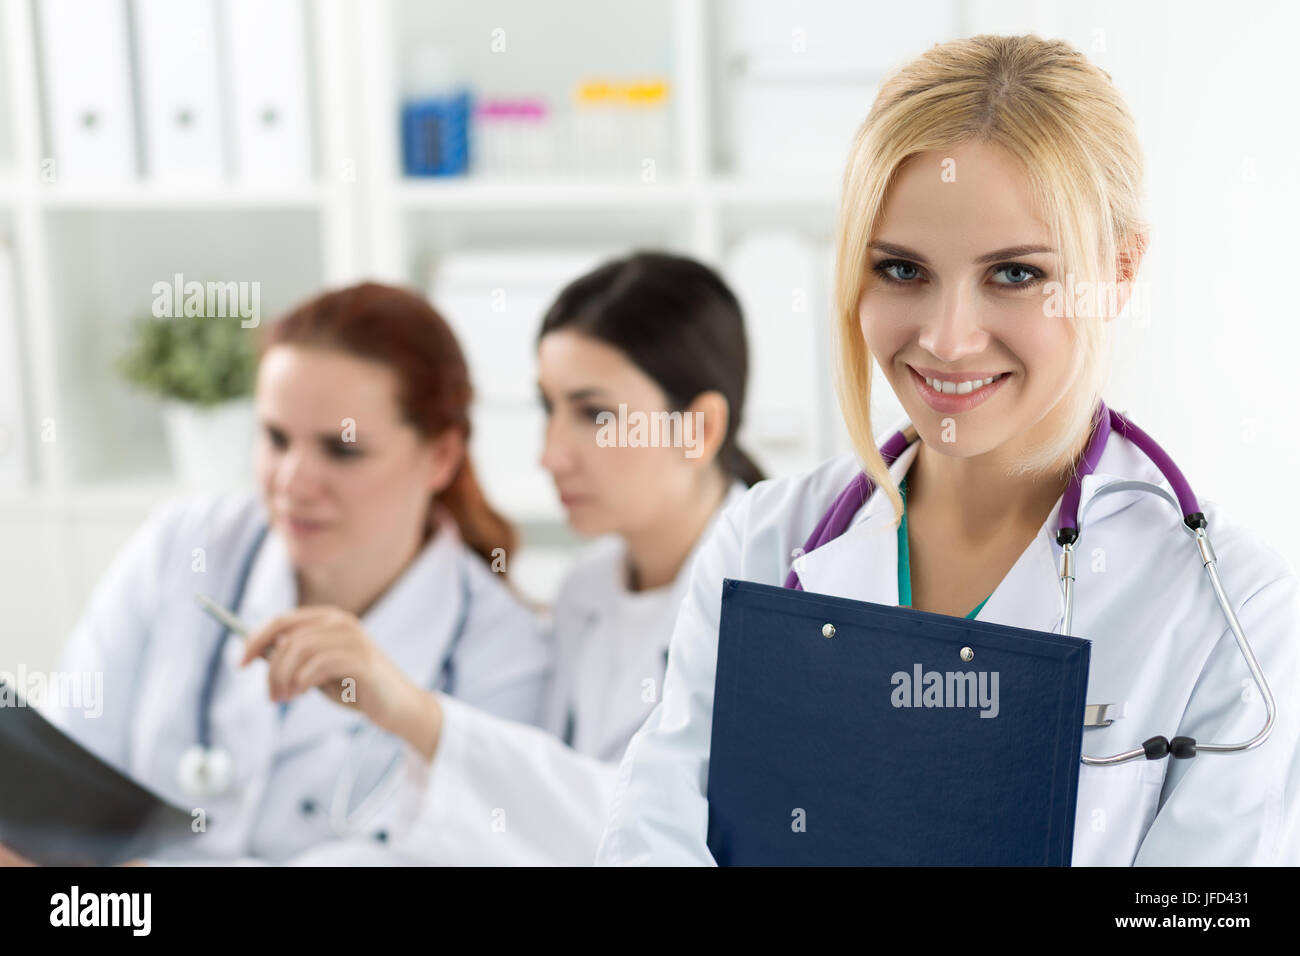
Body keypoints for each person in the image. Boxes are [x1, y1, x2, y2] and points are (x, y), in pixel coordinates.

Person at [594, 35, 1300, 866]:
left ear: (1119, 270)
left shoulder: (1233, 613)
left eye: (1014, 275)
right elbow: (653, 841)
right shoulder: (765, 542)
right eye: (901, 270)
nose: (948, 338)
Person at [29, 281, 550, 864]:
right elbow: (58, 779)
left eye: (342, 450)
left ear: (441, 457)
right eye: (276, 438)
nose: (293, 483)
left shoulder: (503, 656)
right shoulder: (186, 546)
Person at [269, 252, 764, 865]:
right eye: (547, 408)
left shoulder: (770, 600)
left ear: (699, 429)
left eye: (595, 415)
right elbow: (529, 824)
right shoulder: (587, 592)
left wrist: (418, 715)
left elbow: (671, 834)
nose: (551, 454)